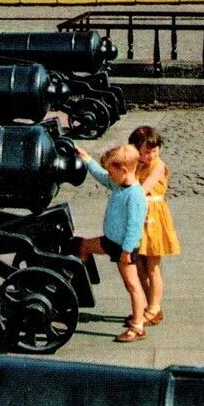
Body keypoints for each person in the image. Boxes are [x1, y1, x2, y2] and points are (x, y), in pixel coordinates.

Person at [72, 144, 149, 342]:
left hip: (124, 247)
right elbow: (100, 175)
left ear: (124, 170)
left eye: (111, 172)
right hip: (110, 241)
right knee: (83, 246)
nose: (109, 175)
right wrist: (87, 158)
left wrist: (126, 251)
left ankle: (138, 326)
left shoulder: (135, 195)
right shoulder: (118, 184)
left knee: (132, 284)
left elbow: (134, 226)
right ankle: (80, 282)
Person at [129, 125, 179, 326]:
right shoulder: (138, 164)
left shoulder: (158, 166)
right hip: (140, 217)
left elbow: (144, 189)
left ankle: (154, 307)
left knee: (153, 266)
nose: (149, 156)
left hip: (154, 217)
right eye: (144, 152)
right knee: (139, 264)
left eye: (153, 151)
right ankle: (148, 304)